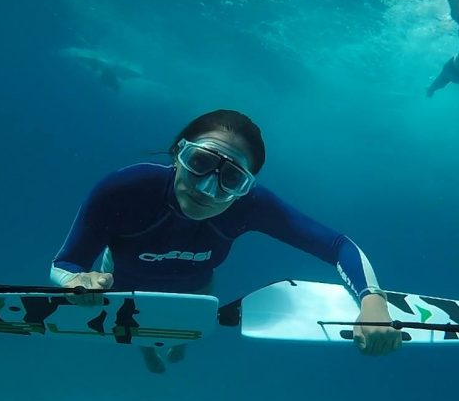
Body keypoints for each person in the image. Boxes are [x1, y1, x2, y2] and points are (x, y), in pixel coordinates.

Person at [50, 109, 403, 373]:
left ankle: (168, 344)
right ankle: (150, 348)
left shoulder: (252, 206)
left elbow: (337, 245)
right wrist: (77, 281)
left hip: (196, 294)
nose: (207, 188)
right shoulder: (124, 189)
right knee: (153, 334)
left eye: (232, 179)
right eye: (199, 162)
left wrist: (373, 302)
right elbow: (66, 263)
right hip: (123, 288)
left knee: (178, 334)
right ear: (177, 153)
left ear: (247, 187)